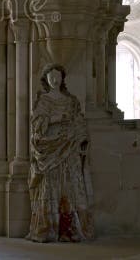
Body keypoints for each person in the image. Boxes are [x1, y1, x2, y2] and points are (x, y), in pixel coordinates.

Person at [27, 63, 94, 243]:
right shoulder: (43, 100)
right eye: (51, 76)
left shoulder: (71, 100)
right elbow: (37, 125)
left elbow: (79, 120)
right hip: (50, 149)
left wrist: (82, 137)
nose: (55, 80)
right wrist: (56, 119)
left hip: (70, 146)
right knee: (50, 185)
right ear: (46, 79)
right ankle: (48, 228)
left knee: (71, 186)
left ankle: (69, 230)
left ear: (63, 78)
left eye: (58, 76)